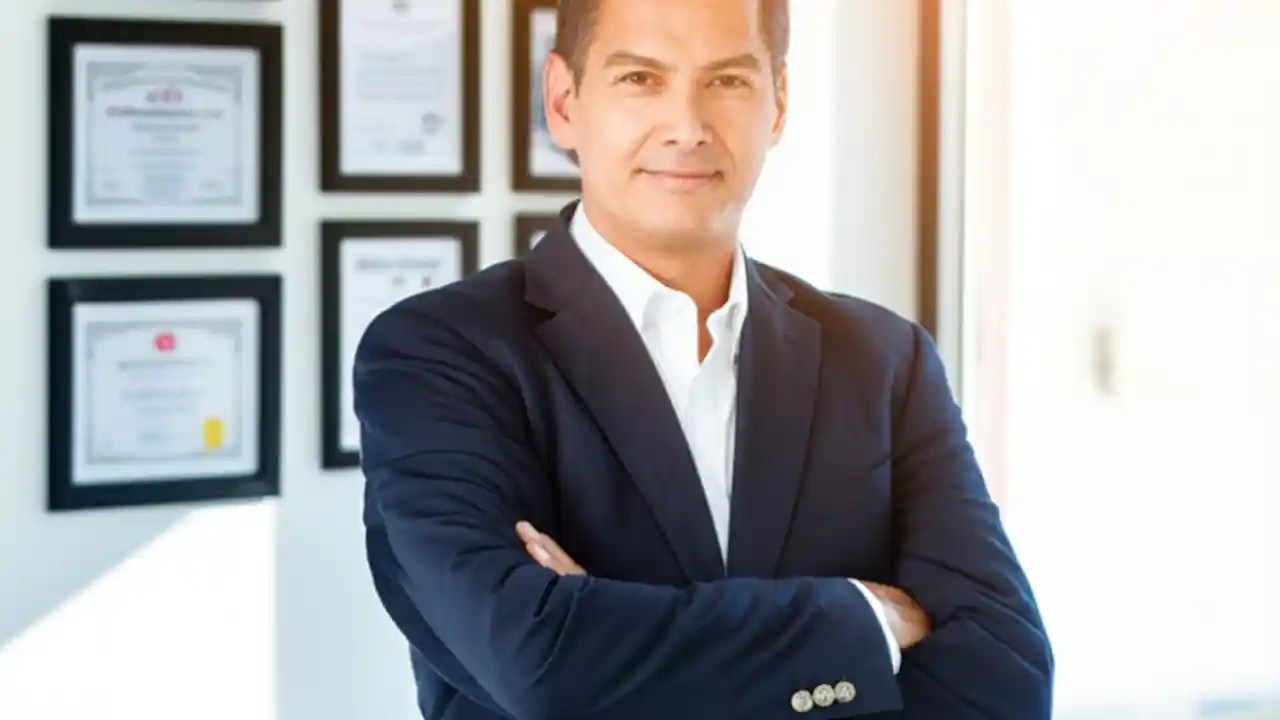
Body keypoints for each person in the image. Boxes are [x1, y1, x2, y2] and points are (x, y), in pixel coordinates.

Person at [355, 0, 1052, 717]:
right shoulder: (438, 355)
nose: (687, 127)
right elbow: (539, 667)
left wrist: (615, 640)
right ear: (563, 101)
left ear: (778, 104)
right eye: (640, 79)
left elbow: (1006, 682)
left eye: (727, 81)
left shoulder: (881, 360)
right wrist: (863, 619)